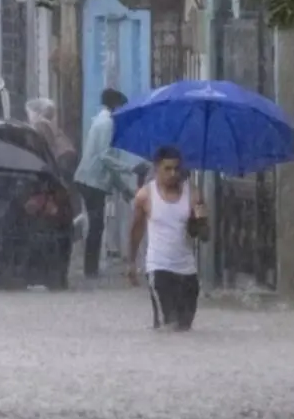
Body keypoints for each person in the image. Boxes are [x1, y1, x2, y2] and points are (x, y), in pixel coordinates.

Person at [128, 145, 208, 330]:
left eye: (176, 168)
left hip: (187, 271)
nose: (173, 173)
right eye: (167, 169)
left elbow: (203, 236)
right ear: (157, 169)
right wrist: (131, 262)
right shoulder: (145, 196)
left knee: (184, 328)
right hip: (159, 268)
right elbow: (136, 231)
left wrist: (200, 219)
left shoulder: (193, 195)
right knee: (168, 326)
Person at [73, 89, 127, 278]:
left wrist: (125, 189)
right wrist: (129, 169)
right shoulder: (107, 124)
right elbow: (106, 157)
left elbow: (108, 163)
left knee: (95, 223)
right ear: (115, 105)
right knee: (96, 224)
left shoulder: (102, 121)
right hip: (92, 181)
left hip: (91, 180)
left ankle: (91, 266)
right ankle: (90, 269)